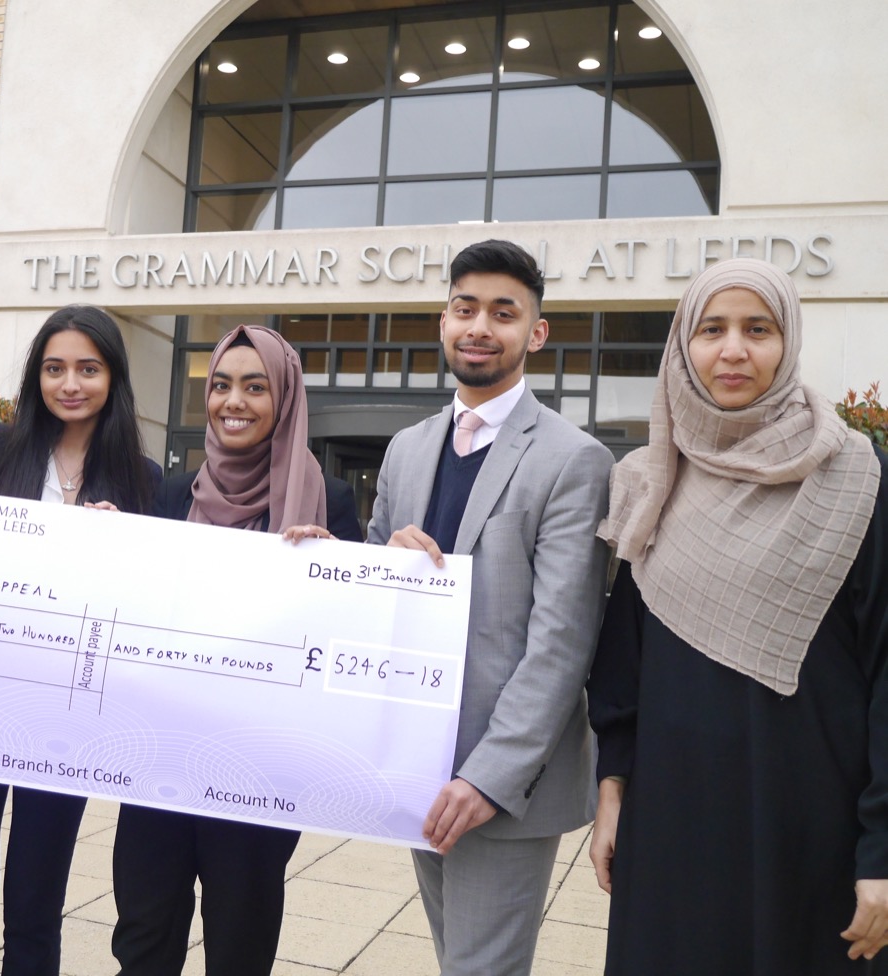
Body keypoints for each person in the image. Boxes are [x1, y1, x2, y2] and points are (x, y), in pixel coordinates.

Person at [587, 258, 888, 974]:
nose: (733, 350)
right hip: (672, 826)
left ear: (787, 344)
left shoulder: (856, 474)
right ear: (682, 346)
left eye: (759, 328)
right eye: (711, 329)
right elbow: (624, 662)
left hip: (812, 830)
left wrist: (882, 850)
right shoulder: (651, 478)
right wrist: (611, 790)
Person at [367, 239, 613, 975]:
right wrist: (368, 564)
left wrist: (489, 777)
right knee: (459, 962)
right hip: (415, 763)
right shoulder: (407, 449)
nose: (480, 326)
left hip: (502, 784)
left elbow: (563, 642)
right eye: (464, 308)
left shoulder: (574, 459)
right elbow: (370, 595)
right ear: (443, 322)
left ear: (535, 334)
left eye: (503, 313)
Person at [110, 324, 361, 976]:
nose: (233, 401)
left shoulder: (328, 503)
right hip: (160, 764)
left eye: (255, 386)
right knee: (142, 938)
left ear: (285, 396)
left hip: (258, 775)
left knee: (240, 950)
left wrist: (336, 577)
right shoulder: (172, 495)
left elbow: (350, 646)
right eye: (220, 385)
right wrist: (105, 555)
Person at [0, 304, 160, 976]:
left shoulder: (140, 480)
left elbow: (145, 609)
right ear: (37, 376)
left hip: (66, 725)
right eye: (55, 368)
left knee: (35, 908)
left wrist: (125, 549)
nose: (71, 383)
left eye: (88, 368)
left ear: (112, 377)